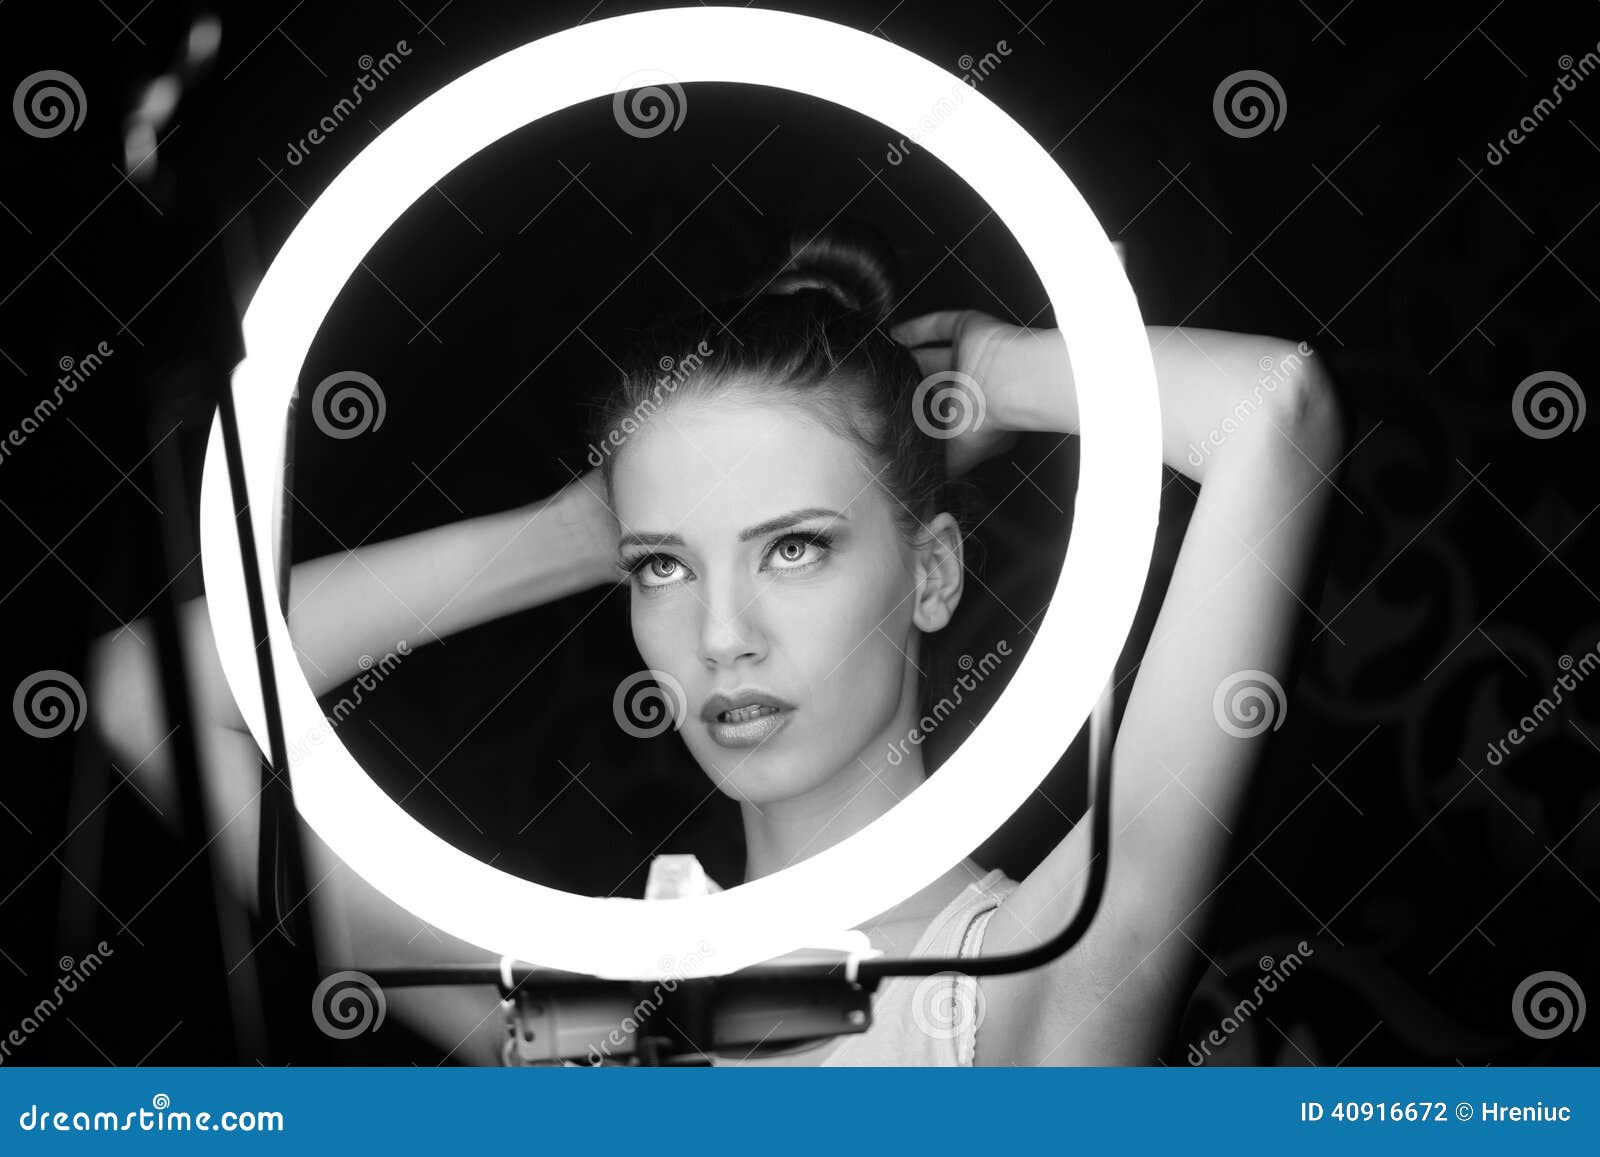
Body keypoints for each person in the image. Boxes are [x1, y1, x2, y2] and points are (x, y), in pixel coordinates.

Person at [88, 220, 1344, 1066]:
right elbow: (150, 688)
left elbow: (1270, 408)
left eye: (794, 546)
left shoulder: (1029, 978)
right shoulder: (581, 994)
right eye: (664, 570)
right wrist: (578, 533)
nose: (721, 635)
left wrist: (999, 373)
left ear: (932, 570)